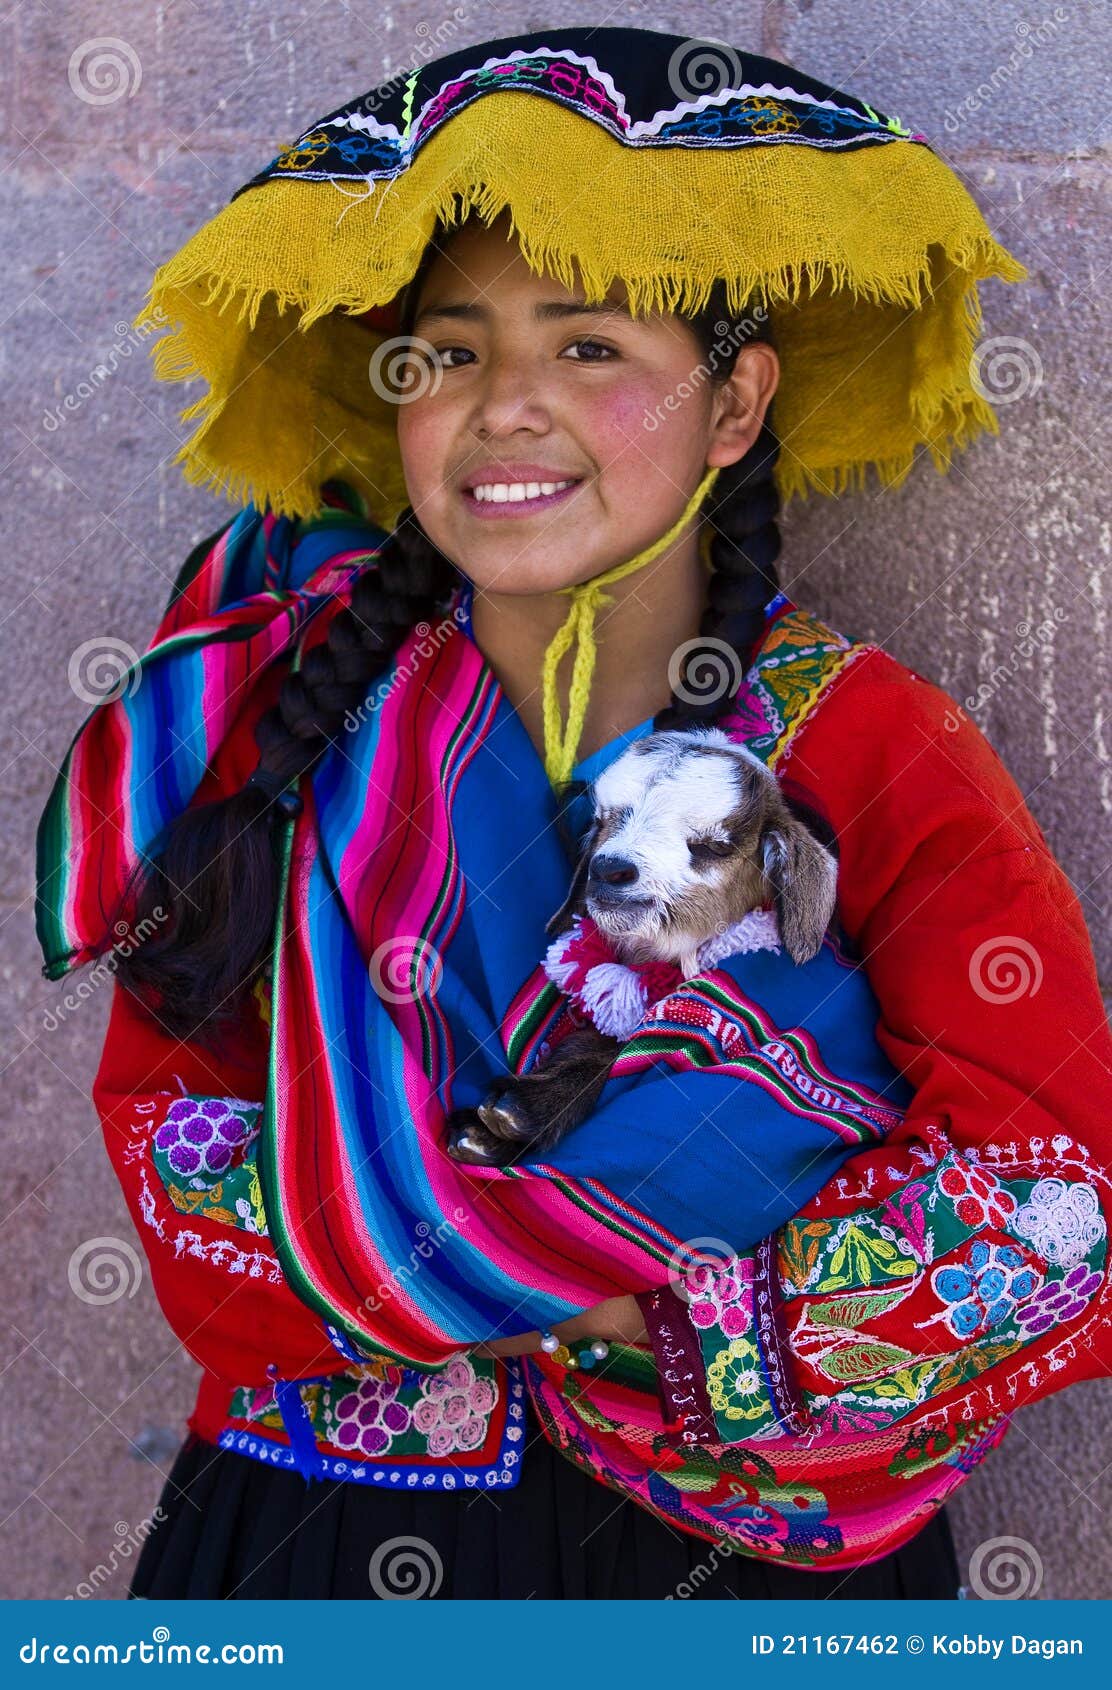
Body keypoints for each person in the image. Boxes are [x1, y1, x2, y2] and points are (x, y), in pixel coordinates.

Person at [34, 26, 1112, 1600]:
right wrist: (543, 1261)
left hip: (743, 1564)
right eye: (450, 353)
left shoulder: (868, 746)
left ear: (735, 402)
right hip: (316, 1530)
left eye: (590, 346)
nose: (507, 407)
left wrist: (633, 1315)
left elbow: (1052, 1191)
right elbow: (175, 1128)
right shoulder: (288, 723)